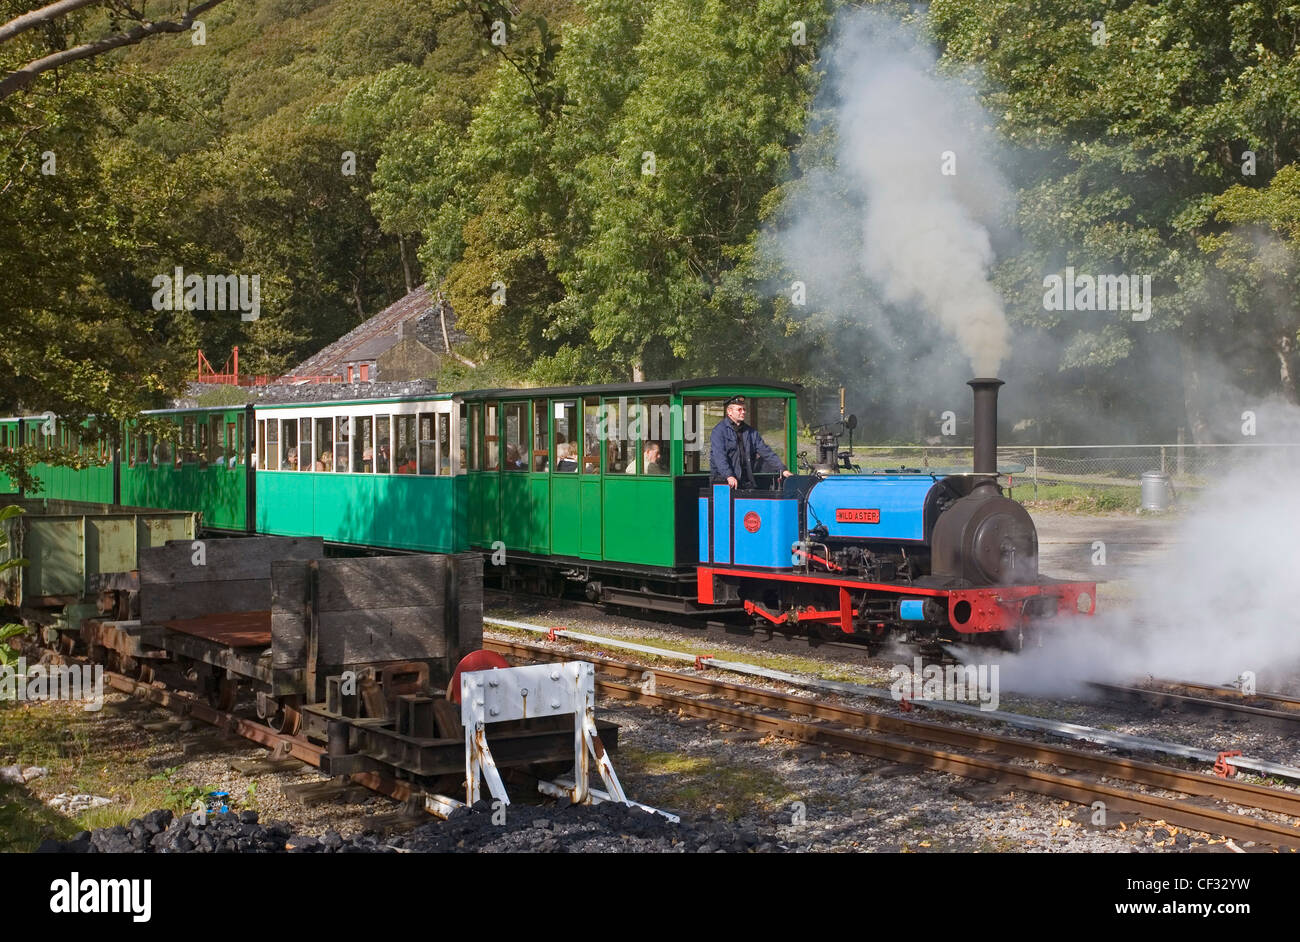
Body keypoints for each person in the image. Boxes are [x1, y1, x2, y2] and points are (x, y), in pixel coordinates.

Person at [709, 395, 792, 488]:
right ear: (729, 412)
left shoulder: (751, 432)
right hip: (723, 481)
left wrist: (782, 469)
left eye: (744, 409)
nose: (743, 412)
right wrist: (729, 476)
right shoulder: (719, 431)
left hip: (744, 480)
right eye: (739, 409)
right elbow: (719, 457)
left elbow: (766, 452)